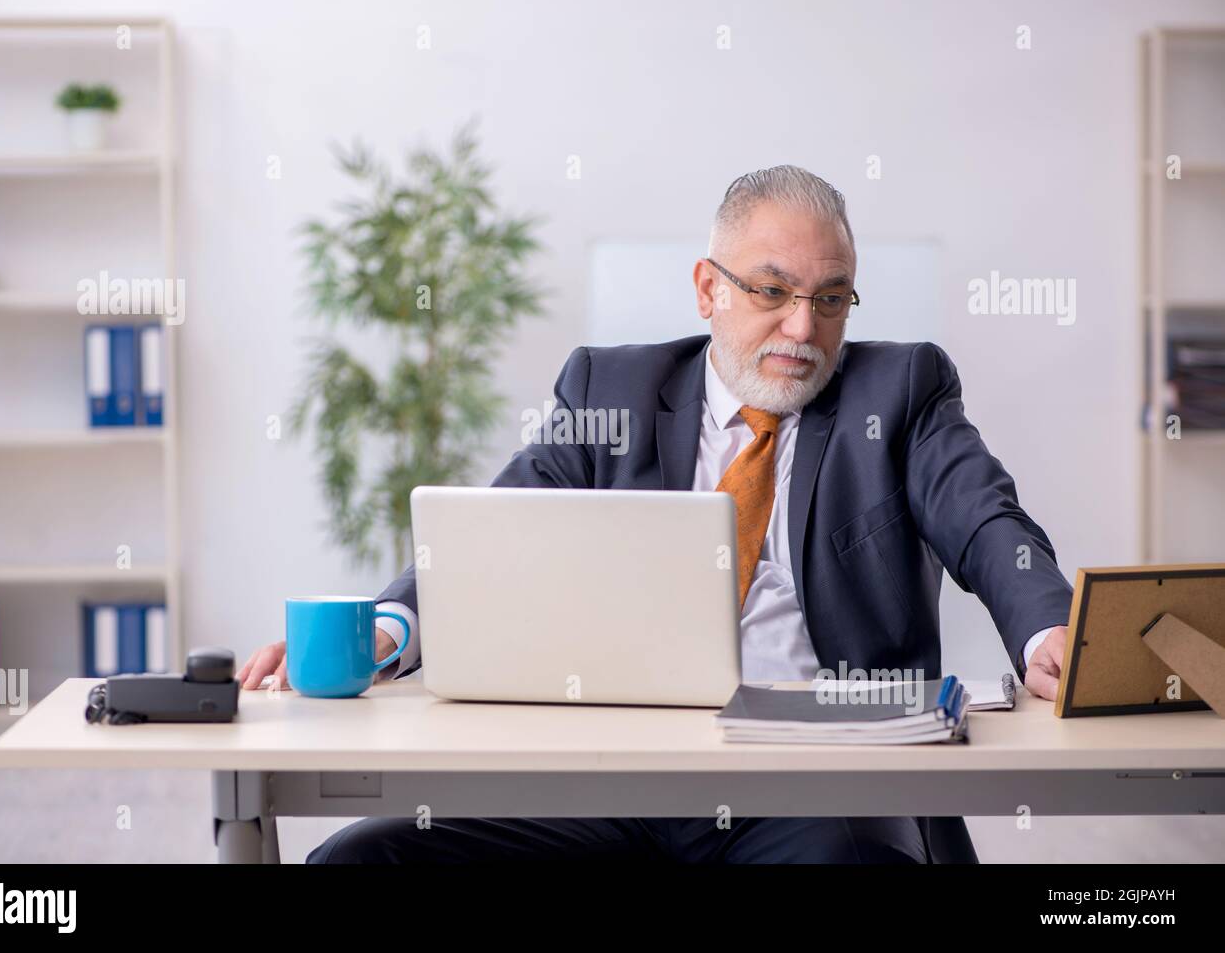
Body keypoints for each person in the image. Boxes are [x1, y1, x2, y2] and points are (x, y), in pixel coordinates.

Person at [239, 165, 1073, 863]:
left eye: (831, 299)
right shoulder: (611, 391)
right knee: (362, 858)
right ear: (708, 287)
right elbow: (493, 531)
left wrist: (1050, 632)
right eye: (773, 290)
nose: (802, 326)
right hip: (615, 779)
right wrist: (386, 629)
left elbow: (986, 518)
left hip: (816, 783)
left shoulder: (901, 391)